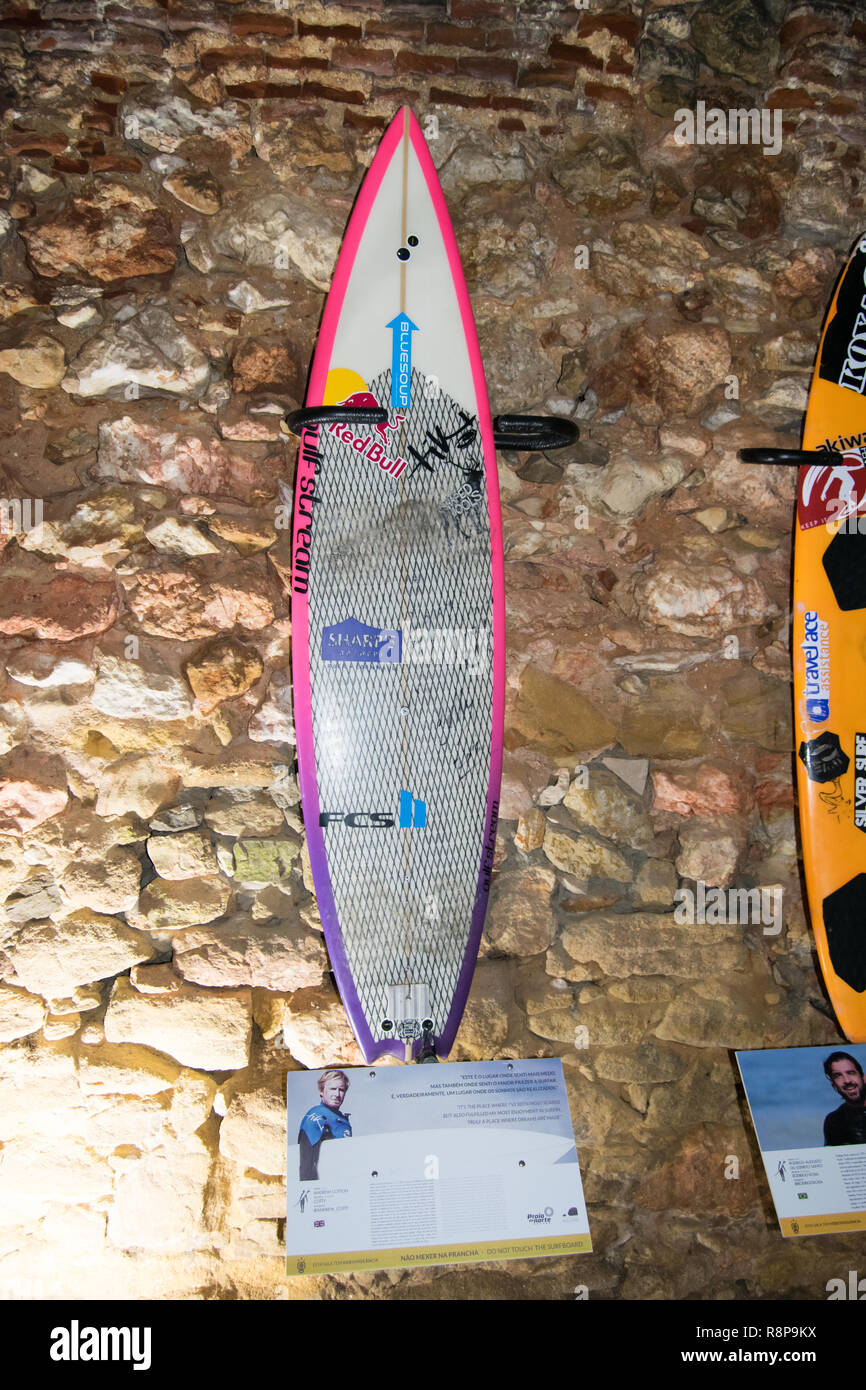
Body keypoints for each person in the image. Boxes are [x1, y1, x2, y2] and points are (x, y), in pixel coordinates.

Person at [298, 1070, 352, 1179]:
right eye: (332, 1089)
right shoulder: (315, 1116)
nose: (337, 1094)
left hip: (344, 1180)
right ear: (321, 1091)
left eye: (341, 1090)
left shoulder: (342, 1119)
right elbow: (306, 1165)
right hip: (326, 1184)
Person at [823, 1051, 866, 1145]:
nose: (847, 1081)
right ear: (833, 1084)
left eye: (851, 1073)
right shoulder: (834, 1121)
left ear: (863, 1077)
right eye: (838, 1076)